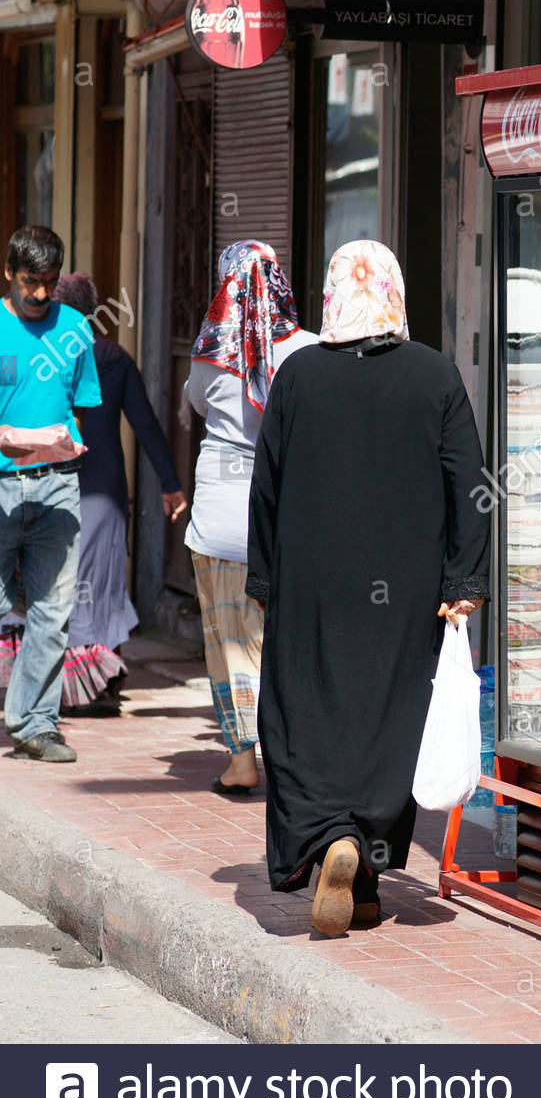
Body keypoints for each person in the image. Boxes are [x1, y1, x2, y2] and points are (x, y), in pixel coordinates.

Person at [247, 240, 489, 936]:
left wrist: (264, 577)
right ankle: (367, 871)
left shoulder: (297, 376)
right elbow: (470, 484)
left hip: (311, 586)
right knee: (388, 719)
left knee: (307, 715)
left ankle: (332, 843)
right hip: (408, 587)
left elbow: (267, 484)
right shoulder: (434, 375)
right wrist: (464, 578)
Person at [0, 273, 188, 714]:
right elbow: (145, 425)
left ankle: (35, 686)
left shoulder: (36, 352)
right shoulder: (114, 357)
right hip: (100, 490)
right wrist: (171, 485)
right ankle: (85, 685)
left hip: (42, 483)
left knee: (42, 581)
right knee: (92, 584)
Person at [185, 241, 316, 796]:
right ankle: (293, 754)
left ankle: (242, 761)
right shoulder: (309, 349)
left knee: (229, 640)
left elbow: (198, 406)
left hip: (220, 514)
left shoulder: (210, 353)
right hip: (287, 515)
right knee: (283, 639)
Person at [0, 226, 101, 762]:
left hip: (57, 488)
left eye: (48, 282)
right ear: (9, 274)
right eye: (29, 282)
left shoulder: (77, 329)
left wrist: (60, 445)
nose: (39, 294)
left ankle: (36, 724)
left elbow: (79, 407)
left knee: (52, 608)